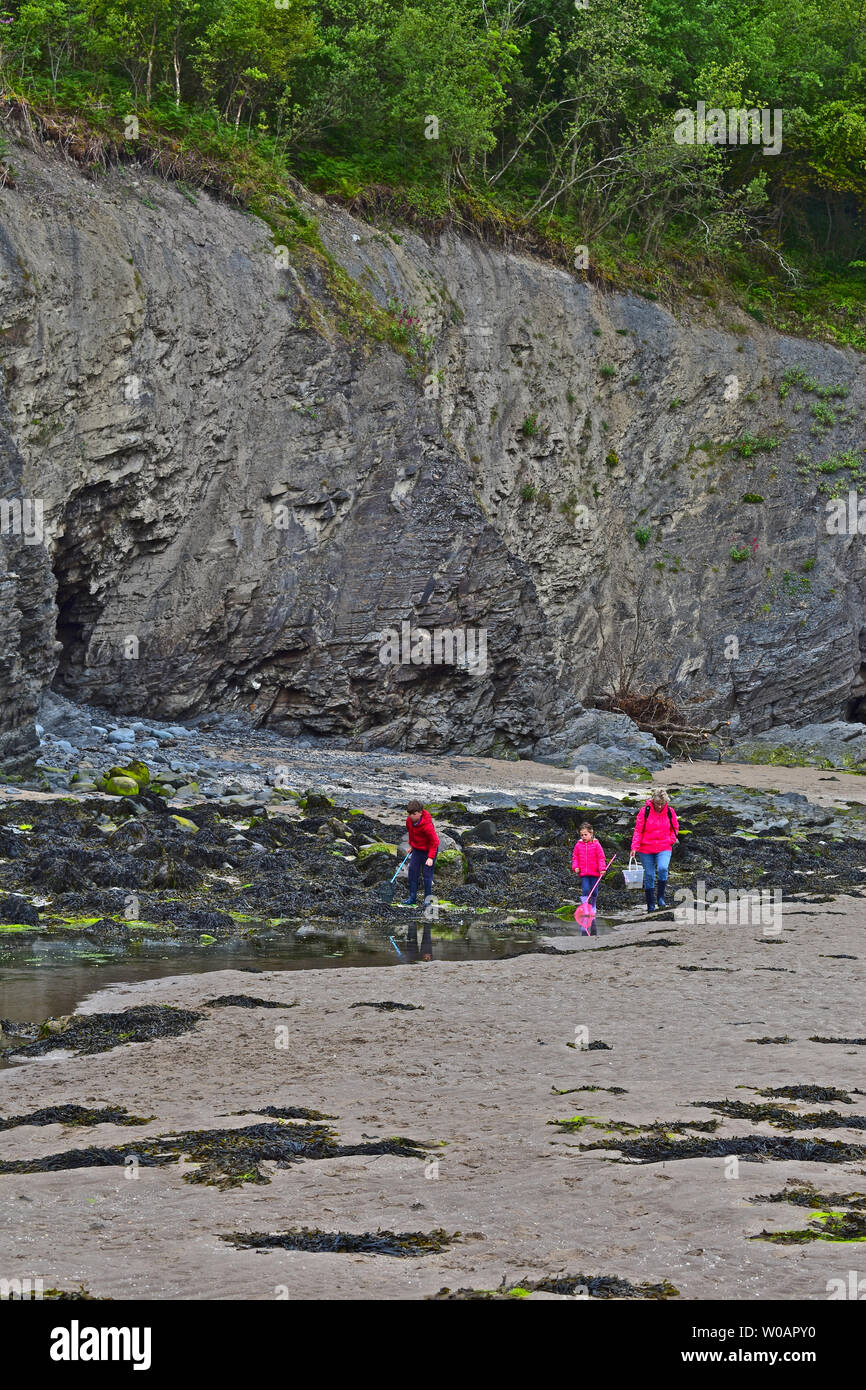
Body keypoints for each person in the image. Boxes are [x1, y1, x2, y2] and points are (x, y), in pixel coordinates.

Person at [630, 788, 679, 912]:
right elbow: (638, 830)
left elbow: (675, 828)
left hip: (664, 846)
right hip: (646, 848)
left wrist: (671, 840)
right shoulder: (644, 811)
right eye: (658, 803)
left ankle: (660, 898)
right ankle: (650, 905)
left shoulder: (669, 811)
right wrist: (634, 847)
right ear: (653, 801)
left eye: (662, 803)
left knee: (663, 868)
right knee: (650, 876)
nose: (660, 806)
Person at [401, 799, 439, 908]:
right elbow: (412, 834)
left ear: (421, 812)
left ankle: (427, 900)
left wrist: (431, 857)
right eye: (409, 814)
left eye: (414, 814)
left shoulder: (427, 826)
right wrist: (412, 845)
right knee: (413, 871)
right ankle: (412, 898)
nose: (411, 816)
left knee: (427, 875)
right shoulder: (409, 821)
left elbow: (435, 842)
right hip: (417, 850)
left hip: (429, 851)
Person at [571, 821, 606, 934]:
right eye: (582, 835)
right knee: (585, 889)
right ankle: (586, 907)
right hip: (584, 873)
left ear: (591, 833)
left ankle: (593, 906)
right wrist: (575, 867)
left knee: (594, 891)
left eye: (585, 834)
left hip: (595, 872)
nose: (583, 837)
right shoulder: (578, 845)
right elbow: (575, 857)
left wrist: (602, 868)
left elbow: (601, 857)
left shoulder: (596, 844)